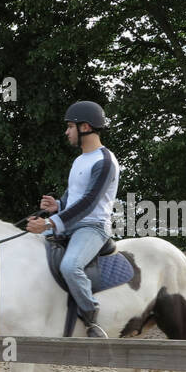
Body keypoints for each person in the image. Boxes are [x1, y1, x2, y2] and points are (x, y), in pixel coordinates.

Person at [25, 101, 120, 337]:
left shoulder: (105, 161)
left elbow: (89, 203)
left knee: (70, 266)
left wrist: (49, 223)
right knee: (26, 246)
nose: (66, 132)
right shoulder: (80, 160)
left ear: (85, 127)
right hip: (70, 223)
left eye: (69, 127)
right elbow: (74, 198)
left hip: (93, 227)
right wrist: (57, 205)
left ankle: (91, 317)